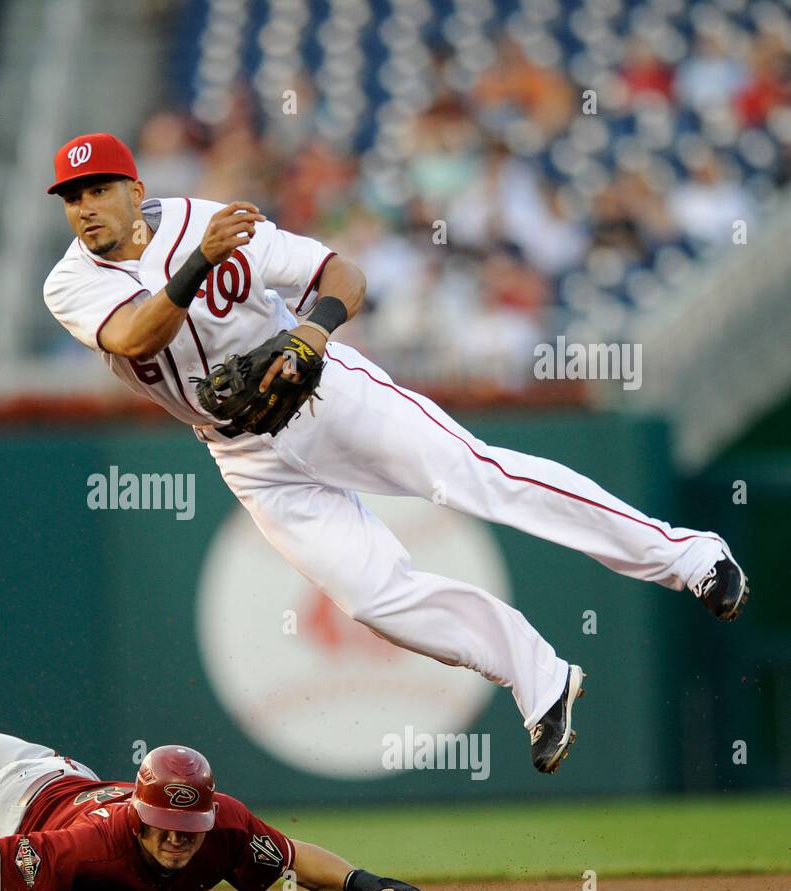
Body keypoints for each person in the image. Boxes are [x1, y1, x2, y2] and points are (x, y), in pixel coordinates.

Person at [40, 132, 750, 775]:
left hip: (325, 391)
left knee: (481, 475)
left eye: (98, 189)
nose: (86, 208)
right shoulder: (70, 281)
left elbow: (341, 272)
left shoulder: (207, 219)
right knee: (372, 597)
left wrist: (313, 331)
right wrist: (201, 261)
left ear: (135, 188)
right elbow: (135, 336)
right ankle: (540, 678)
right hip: (244, 452)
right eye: (72, 197)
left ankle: (689, 556)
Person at [0, 702, 446, 891]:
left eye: (189, 828)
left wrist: (369, 885)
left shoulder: (227, 825)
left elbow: (294, 859)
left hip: (81, 783)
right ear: (141, 818)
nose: (177, 839)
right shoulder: (85, 847)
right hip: (29, 794)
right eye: (165, 826)